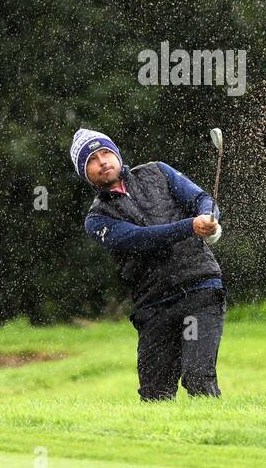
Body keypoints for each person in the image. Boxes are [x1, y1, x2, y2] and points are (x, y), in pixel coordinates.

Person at [71, 127, 226, 401]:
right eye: (92, 159)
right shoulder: (96, 220)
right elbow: (140, 239)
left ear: (117, 155)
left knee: (198, 378)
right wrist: (190, 226)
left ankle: (214, 440)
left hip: (200, 289)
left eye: (106, 152)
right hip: (154, 306)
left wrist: (208, 220)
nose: (102, 161)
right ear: (85, 173)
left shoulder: (157, 172)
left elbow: (202, 199)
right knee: (156, 396)